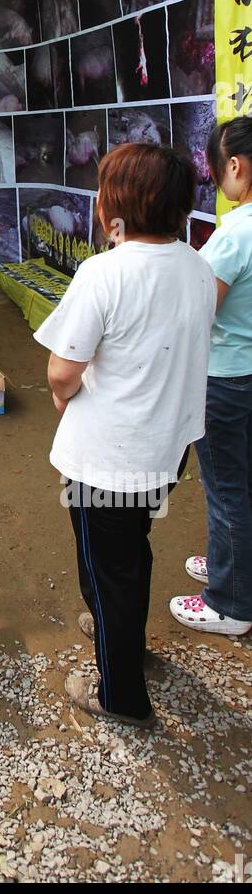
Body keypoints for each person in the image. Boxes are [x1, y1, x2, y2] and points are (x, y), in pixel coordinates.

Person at [34, 143, 216, 726]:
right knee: (129, 551)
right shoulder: (196, 265)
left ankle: (121, 695)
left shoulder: (104, 272)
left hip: (107, 458)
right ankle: (118, 628)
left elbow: (63, 369)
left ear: (120, 202)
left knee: (109, 564)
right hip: (165, 448)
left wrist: (63, 397)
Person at [170, 118, 252, 637]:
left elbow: (200, 313)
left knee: (226, 489)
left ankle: (230, 601)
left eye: (217, 170)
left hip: (225, 378)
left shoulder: (235, 234)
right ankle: (233, 566)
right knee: (243, 483)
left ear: (236, 167)